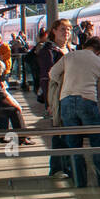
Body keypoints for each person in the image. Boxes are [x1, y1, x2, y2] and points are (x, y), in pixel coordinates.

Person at [48, 36, 100, 188]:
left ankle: (80, 182)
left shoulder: (70, 56)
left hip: (66, 101)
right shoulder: (99, 62)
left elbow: (52, 74)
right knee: (97, 142)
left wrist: (66, 83)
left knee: (74, 144)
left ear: (86, 45)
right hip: (87, 100)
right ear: (98, 51)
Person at [37, 19, 71, 178]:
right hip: (57, 96)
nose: (66, 32)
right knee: (59, 132)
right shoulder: (48, 51)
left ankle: (66, 166)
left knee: (68, 132)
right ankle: (58, 168)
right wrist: (48, 102)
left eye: (69, 29)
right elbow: (46, 78)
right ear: (54, 31)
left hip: (71, 95)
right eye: (63, 29)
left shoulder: (70, 49)